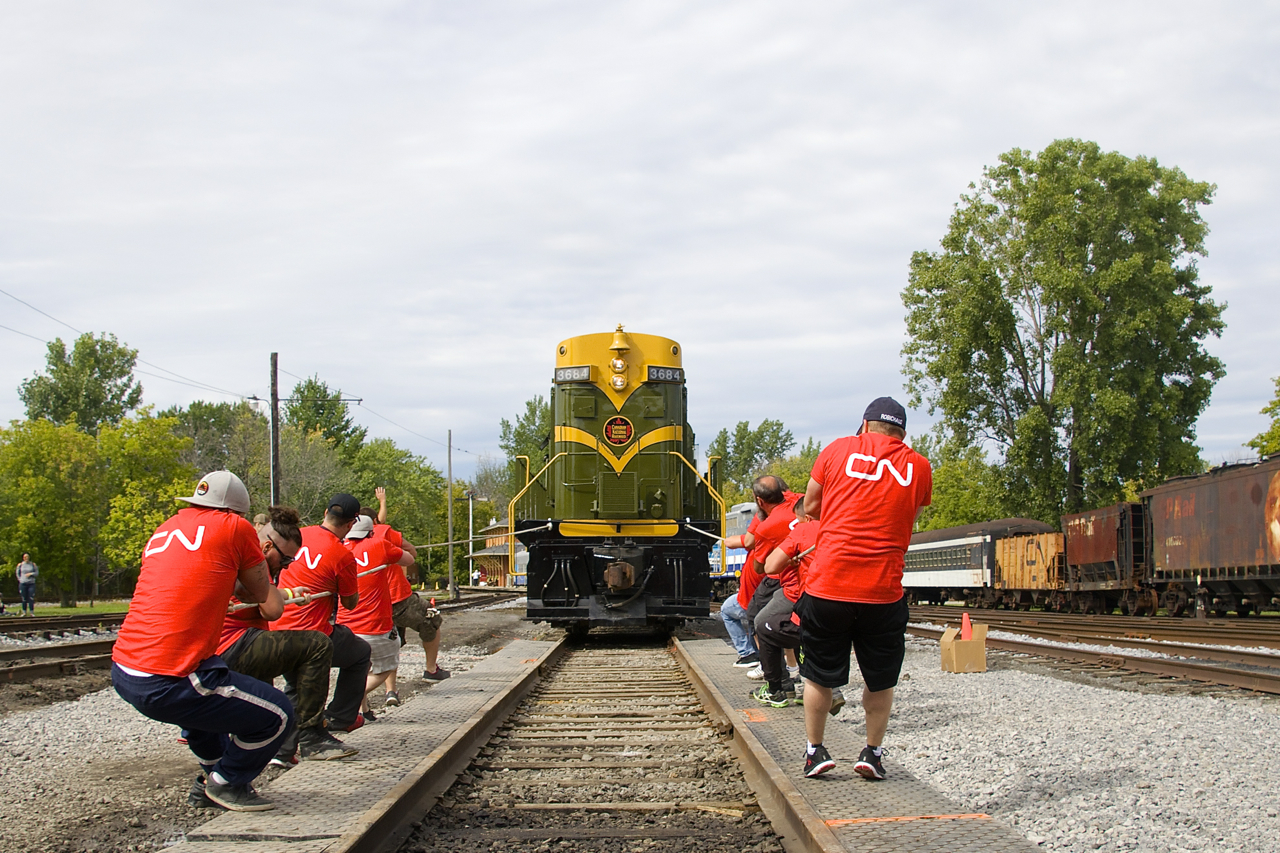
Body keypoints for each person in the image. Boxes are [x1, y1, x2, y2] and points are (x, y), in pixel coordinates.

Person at [111, 471, 295, 812]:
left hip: (124, 668)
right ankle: (226, 783)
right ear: (237, 511)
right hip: (169, 676)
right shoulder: (234, 527)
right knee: (279, 715)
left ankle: (210, 780)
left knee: (204, 708)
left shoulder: (165, 528)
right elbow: (265, 600)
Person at [797, 397, 932, 781]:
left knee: (818, 676)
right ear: (902, 432)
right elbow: (910, 517)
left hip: (829, 586)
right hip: (883, 591)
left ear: (865, 424)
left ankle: (815, 752)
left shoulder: (837, 449)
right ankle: (872, 753)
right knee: (880, 679)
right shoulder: (920, 466)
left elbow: (811, 505)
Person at [217, 505, 357, 776]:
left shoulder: (244, 553)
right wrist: (274, 594)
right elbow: (271, 610)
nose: (286, 566)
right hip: (233, 643)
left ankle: (244, 764)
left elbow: (258, 597)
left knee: (269, 706)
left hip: (241, 639)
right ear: (268, 546)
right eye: (285, 561)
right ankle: (312, 737)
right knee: (318, 644)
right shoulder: (254, 560)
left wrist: (289, 592)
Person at [272, 494, 371, 733]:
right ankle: (340, 717)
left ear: (325, 513)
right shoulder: (342, 555)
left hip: (276, 626)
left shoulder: (298, 535)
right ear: (351, 524)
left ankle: (286, 739)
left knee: (296, 683)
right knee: (360, 653)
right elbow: (349, 603)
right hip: (313, 634)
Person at [365, 495, 450, 685]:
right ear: (374, 522)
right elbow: (411, 553)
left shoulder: (348, 540)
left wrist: (383, 502)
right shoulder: (383, 533)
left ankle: (390, 691)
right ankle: (431, 669)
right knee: (432, 619)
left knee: (391, 640)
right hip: (397, 598)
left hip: (371, 603)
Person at [339, 515, 415, 716]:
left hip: (343, 626)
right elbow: (409, 558)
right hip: (374, 624)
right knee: (388, 664)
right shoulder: (378, 544)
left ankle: (362, 711)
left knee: (359, 667)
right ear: (370, 532)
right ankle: (350, 696)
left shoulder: (339, 548)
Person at [751, 498, 817, 707]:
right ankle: (816, 686)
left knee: (763, 624)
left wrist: (790, 559)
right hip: (846, 602)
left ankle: (776, 689)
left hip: (805, 596)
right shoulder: (840, 528)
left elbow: (769, 566)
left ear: (807, 517)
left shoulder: (805, 530)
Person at [721, 512, 763, 667]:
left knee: (726, 610)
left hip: (751, 599)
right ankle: (755, 652)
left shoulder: (758, 543)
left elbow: (733, 542)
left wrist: (728, 539)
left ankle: (747, 653)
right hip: (758, 598)